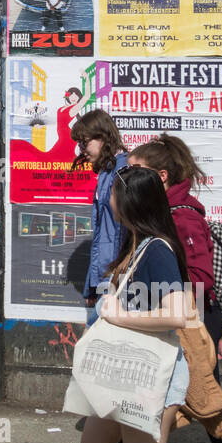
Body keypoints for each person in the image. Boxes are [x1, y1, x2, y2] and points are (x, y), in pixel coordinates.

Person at [127, 134, 222, 443]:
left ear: (161, 176)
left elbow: (200, 277)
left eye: (136, 171)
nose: (128, 180)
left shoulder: (181, 217)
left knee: (208, 405)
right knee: (167, 401)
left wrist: (162, 302)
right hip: (177, 317)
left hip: (194, 321)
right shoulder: (161, 212)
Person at [52, 166, 191, 443]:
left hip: (150, 377)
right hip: (124, 375)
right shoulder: (137, 244)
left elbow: (178, 314)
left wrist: (119, 316)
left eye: (113, 193)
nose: (108, 199)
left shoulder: (157, 250)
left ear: (129, 200)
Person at [70, 109, 129, 311]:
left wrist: (113, 284)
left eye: (84, 143)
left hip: (119, 285)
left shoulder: (122, 173)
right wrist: (92, 285)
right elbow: (103, 237)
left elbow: (123, 234)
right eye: (79, 144)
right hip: (107, 281)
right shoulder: (108, 172)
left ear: (103, 138)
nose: (82, 150)